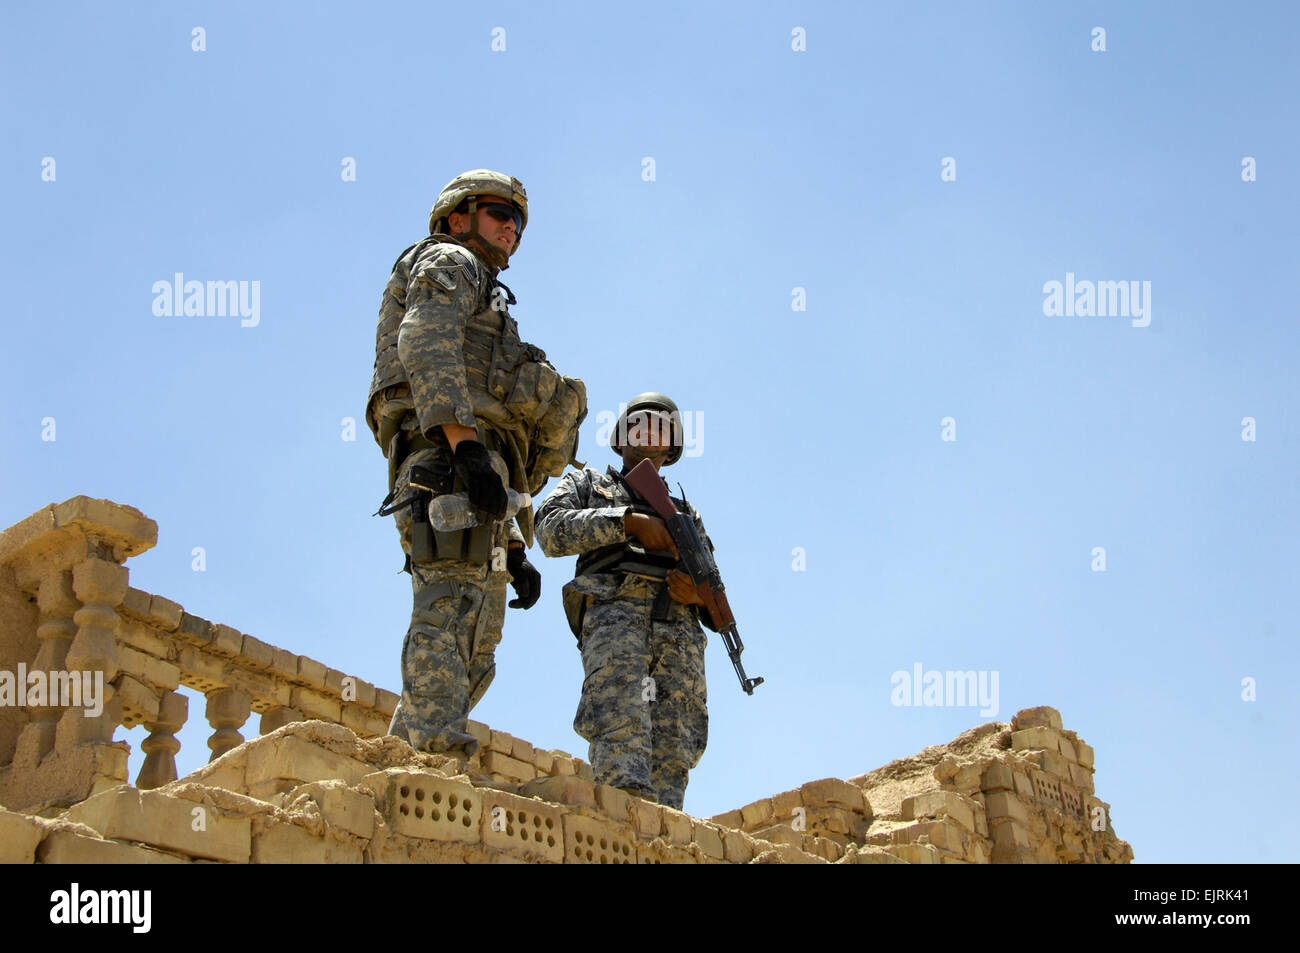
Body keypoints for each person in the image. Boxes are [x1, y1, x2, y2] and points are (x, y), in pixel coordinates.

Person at [365, 169, 586, 757]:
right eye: (498, 213)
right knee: (449, 610)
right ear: (458, 217)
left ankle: (402, 756)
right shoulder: (449, 260)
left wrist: (515, 547)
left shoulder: (488, 293)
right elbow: (426, 337)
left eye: (518, 221)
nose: (511, 227)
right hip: (448, 458)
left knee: (479, 641)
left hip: (481, 471)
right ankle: (434, 757)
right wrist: (463, 447)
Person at [534, 393, 715, 809]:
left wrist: (697, 596)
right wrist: (626, 523)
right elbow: (548, 529)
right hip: (618, 626)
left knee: (672, 768)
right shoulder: (588, 484)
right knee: (622, 755)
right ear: (620, 437)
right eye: (640, 423)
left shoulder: (687, 514)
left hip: (679, 641)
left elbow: (712, 585)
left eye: (660, 427)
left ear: (672, 448)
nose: (649, 431)